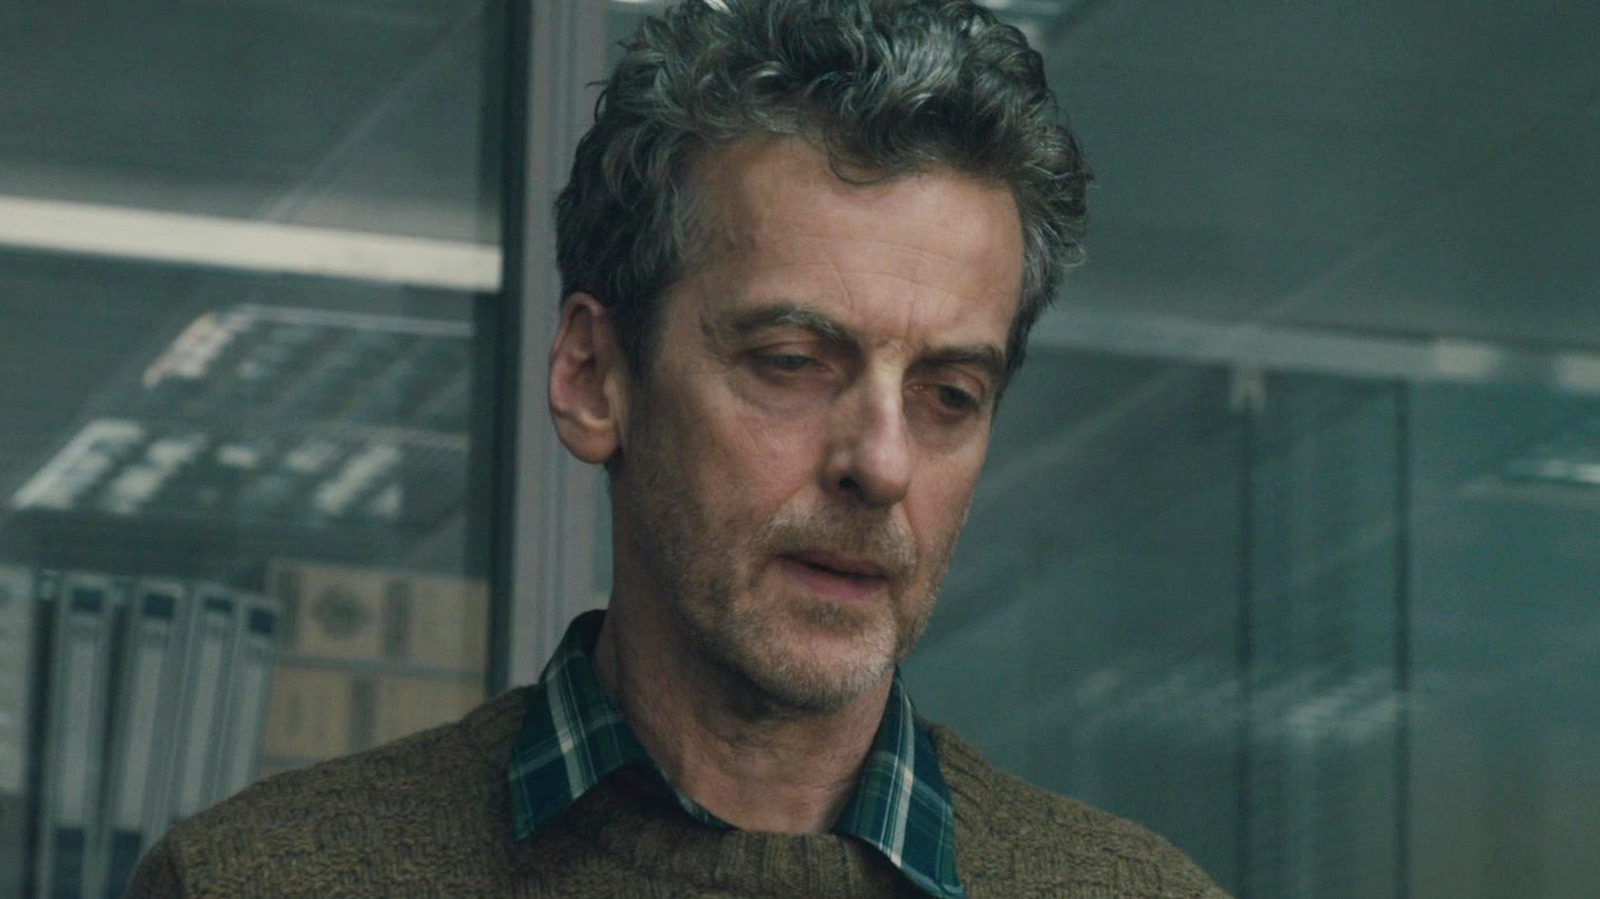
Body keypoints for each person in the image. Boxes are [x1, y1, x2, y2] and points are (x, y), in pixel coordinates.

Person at [128, 1, 1230, 896]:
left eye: (949, 393)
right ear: (593, 377)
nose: (882, 463)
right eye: (791, 361)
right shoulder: (253, 881)